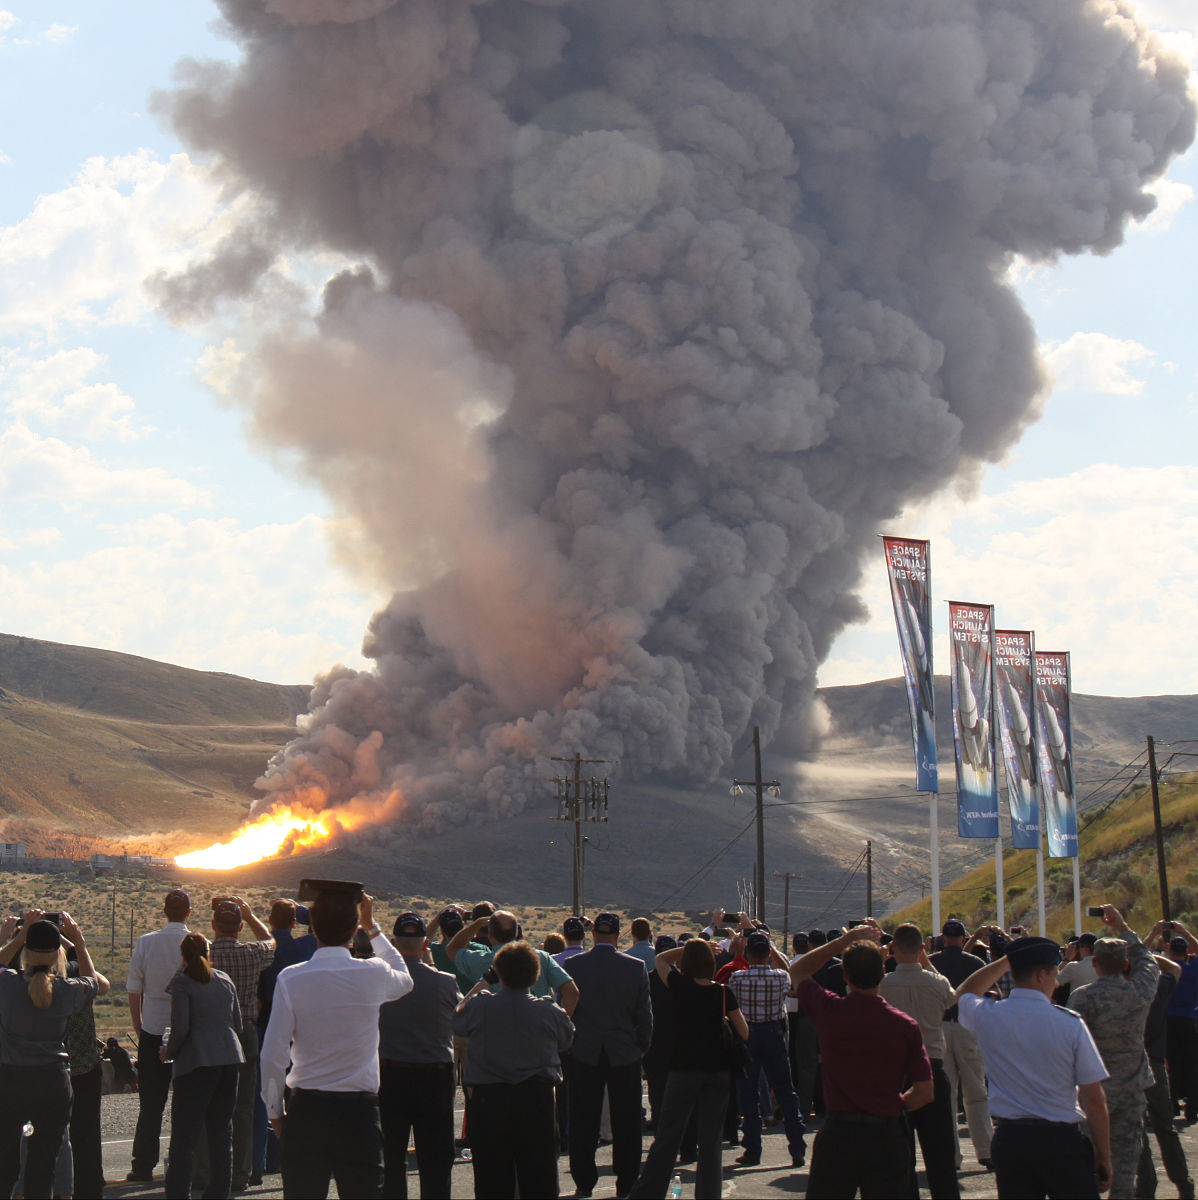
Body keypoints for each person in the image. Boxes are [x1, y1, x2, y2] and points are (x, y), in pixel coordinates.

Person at [260, 883, 414, 1199]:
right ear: (354, 927)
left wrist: (275, 1113)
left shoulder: (292, 978)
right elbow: (405, 977)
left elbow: (273, 1056)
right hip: (358, 1113)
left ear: (313, 927)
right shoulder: (373, 973)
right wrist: (373, 928)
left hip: (307, 1109)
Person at [955, 935, 1112, 1198]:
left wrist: (1008, 960)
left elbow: (964, 993)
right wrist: (1104, 1155)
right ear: (1041, 975)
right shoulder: (1069, 1024)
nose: (1056, 981)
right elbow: (1093, 1097)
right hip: (1060, 1141)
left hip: (1012, 1140)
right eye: (1053, 974)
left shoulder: (990, 1015)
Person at [790, 923, 934, 1198]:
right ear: (883, 974)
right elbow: (925, 1092)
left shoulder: (831, 1011)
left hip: (839, 1131)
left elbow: (798, 970)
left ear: (845, 975)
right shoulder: (905, 1026)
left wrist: (844, 940)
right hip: (886, 1132)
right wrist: (894, 1106)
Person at [629, 939, 748, 1199]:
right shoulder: (723, 992)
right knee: (711, 1139)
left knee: (669, 1134)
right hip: (718, 1070)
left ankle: (649, 1191)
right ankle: (709, 1193)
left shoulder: (681, 987)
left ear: (687, 964)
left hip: (684, 1068)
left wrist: (692, 947)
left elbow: (661, 959)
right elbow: (744, 1032)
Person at [454, 940, 574, 1198]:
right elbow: (566, 1040)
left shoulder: (481, 1006)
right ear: (536, 974)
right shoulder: (548, 1010)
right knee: (539, 1177)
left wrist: (485, 981)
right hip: (536, 1099)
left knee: (492, 1178)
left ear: (498, 973)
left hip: (489, 1101)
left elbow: (458, 1015)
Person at [0, 911, 103, 1200]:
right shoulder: (67, 991)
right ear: (57, 952)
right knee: (43, 1166)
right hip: (53, 1082)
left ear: (27, 953)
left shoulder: (8, 985)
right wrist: (78, 943)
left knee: (5, 1163)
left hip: (11, 1080)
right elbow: (92, 981)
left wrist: (14, 935)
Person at [1067, 906, 1159, 1200]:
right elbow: (1149, 963)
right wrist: (1123, 927)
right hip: (1132, 1088)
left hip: (1095, 1092)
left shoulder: (1082, 997)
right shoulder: (1139, 990)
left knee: (1091, 1163)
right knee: (1126, 1166)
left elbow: (1070, 1043)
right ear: (1125, 964)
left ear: (1095, 963)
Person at [563, 912, 654, 1199]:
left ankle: (584, 1181)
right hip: (624, 1052)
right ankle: (626, 1181)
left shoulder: (575, 965)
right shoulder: (635, 967)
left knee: (583, 1119)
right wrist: (641, 1046)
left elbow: (564, 1008)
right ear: (617, 936)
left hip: (585, 1051)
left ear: (593, 935)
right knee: (626, 1120)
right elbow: (644, 1014)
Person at [379, 911, 461, 1200]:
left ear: (393, 942)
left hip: (391, 1075)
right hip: (434, 1077)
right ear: (426, 944)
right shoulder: (446, 982)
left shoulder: (380, 982)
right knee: (436, 1159)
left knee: (391, 1158)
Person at [879, 922, 960, 1199]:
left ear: (893, 949)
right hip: (932, 1067)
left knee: (902, 1156)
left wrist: (880, 960)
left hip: (896, 1074)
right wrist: (926, 962)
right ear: (922, 948)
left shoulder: (885, 985)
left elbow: (859, 991)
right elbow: (951, 999)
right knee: (941, 1156)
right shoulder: (936, 982)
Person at [162, 932, 246, 1200]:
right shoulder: (225, 980)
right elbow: (238, 1024)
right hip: (229, 1059)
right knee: (221, 1131)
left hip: (196, 1063)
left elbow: (181, 1028)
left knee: (185, 1137)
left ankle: (178, 1192)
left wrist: (168, 1051)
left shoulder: (183, 983)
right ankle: (218, 1191)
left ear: (183, 956)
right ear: (209, 954)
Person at [207, 897, 275, 1191]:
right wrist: (251, 916)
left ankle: (206, 1172)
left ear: (213, 925)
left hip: (210, 1034)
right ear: (239, 927)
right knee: (244, 1106)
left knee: (207, 1103)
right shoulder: (251, 953)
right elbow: (272, 943)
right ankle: (240, 1174)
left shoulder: (203, 954)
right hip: (245, 1032)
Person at [127, 887, 193, 1182]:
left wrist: (138, 1026)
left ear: (164, 911)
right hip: (188, 1032)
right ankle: (183, 1166)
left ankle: (142, 1166)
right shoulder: (196, 944)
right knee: (187, 1103)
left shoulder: (146, 942)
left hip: (152, 1029)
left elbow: (133, 988)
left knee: (151, 1104)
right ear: (189, 912)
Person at [727, 930, 807, 1169]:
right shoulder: (780, 976)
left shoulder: (737, 978)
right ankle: (797, 1148)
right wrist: (775, 951)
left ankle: (752, 1149)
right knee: (786, 1092)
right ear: (768, 953)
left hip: (748, 1033)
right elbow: (791, 974)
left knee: (748, 1094)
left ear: (749, 953)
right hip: (774, 1033)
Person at [1135, 939, 1195, 1200]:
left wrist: (1141, 951)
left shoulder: (1124, 989)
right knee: (1166, 1128)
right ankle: (1184, 1184)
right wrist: (1150, 955)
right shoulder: (1158, 987)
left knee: (1138, 1131)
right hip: (1155, 1063)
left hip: (1129, 1066)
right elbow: (1174, 969)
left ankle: (1146, 1186)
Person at [930, 919, 992, 1171]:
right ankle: (986, 1150)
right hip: (968, 1028)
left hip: (940, 1028)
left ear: (943, 937)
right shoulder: (975, 964)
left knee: (946, 1095)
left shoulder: (932, 963)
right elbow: (989, 995)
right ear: (964, 938)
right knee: (976, 1091)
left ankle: (951, 1156)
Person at [449, 910, 579, 1011]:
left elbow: (452, 948)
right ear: (516, 932)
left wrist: (476, 925)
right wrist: (560, 1026)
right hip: (538, 1032)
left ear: (490, 934)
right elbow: (571, 991)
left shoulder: (483, 960)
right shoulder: (541, 957)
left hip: (494, 1033)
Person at [1164, 925, 1198, 1123]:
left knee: (1172, 1065)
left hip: (1168, 1021)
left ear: (1170, 952)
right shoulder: (1192, 971)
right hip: (1190, 1021)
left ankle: (1172, 1104)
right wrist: (1185, 932)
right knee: (1193, 1065)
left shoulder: (1167, 973)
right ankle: (1192, 1108)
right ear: (1187, 953)